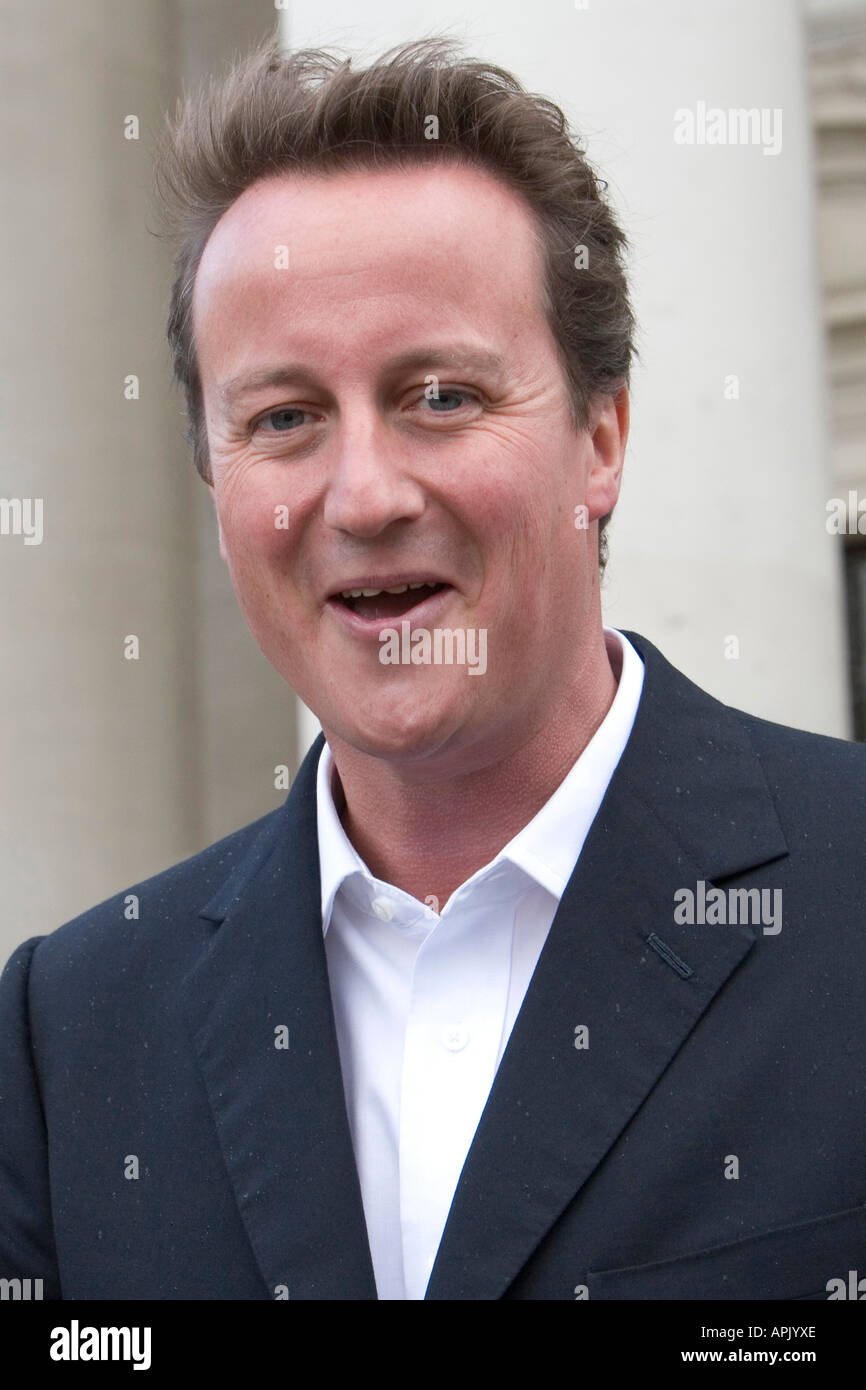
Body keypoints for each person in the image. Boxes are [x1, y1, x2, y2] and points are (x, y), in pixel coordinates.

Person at [1, 34, 864, 1303]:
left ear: (600, 438)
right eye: (283, 417)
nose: (363, 493)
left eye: (441, 396)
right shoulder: (69, 1036)